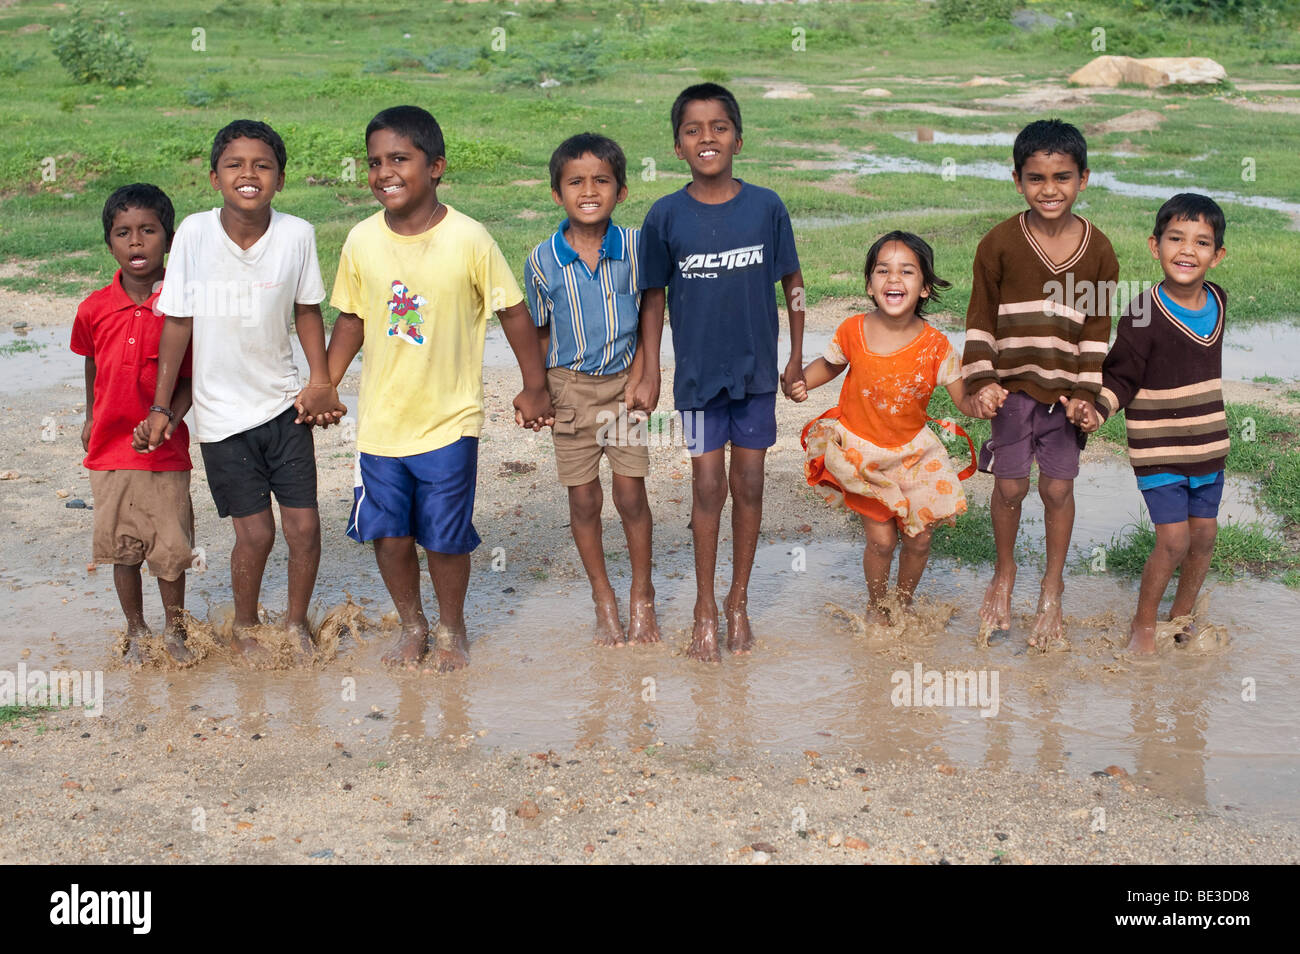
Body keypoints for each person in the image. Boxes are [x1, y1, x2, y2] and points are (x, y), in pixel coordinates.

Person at [319, 105, 552, 672]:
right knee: (390, 534)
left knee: (445, 537)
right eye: (375, 162)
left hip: (450, 420)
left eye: (400, 158)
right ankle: (412, 624)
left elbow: (514, 312)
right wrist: (324, 382)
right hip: (381, 423)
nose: (384, 172)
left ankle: (450, 626)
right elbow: (350, 319)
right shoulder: (361, 240)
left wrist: (534, 386)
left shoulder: (468, 238)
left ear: (436, 166)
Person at [143, 120, 342, 664]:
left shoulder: (297, 235)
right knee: (254, 535)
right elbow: (178, 321)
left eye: (262, 165)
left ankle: (296, 624)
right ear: (215, 177)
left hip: (284, 405)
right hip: (221, 415)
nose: (248, 174)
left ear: (279, 178)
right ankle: (246, 626)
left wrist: (320, 382)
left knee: (304, 527)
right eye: (234, 165)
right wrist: (163, 406)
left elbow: (307, 311)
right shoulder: (195, 234)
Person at [632, 83, 805, 663]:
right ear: (677, 146)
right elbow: (652, 300)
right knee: (707, 485)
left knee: (749, 484)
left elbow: (795, 287)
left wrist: (797, 357)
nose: (707, 138)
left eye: (719, 127)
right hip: (700, 380)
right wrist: (650, 370)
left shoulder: (765, 206)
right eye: (693, 130)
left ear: (738, 136)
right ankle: (704, 606)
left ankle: (738, 601)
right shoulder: (664, 216)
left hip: (756, 375)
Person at [960, 118, 1119, 649]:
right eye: (1036, 179)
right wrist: (981, 381)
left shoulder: (1099, 251)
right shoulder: (998, 244)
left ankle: (1052, 586)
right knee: (1009, 487)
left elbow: (1098, 332)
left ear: (1084, 179)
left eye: (1062, 177)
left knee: (1056, 488)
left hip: (1067, 397)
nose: (1049, 190)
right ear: (1017, 180)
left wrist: (1088, 394)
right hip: (1010, 390)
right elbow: (979, 321)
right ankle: (1004, 574)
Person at [792, 232, 981, 624]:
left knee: (920, 537)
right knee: (880, 541)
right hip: (863, 452)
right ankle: (878, 607)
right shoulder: (852, 330)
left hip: (914, 454)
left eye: (906, 271)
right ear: (869, 284)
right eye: (883, 270)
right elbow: (830, 364)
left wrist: (984, 403)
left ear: (925, 287)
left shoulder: (936, 346)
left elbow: (964, 400)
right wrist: (800, 382)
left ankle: (904, 601)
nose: (894, 279)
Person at [524, 132, 659, 647]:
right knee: (583, 500)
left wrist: (648, 372)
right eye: (575, 181)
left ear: (621, 191)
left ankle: (641, 595)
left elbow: (652, 307)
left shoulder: (637, 247)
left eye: (601, 180)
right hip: (568, 389)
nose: (589, 190)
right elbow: (538, 332)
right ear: (557, 194)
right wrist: (535, 390)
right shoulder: (542, 260)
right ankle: (603, 598)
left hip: (625, 387)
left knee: (630, 494)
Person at [1087, 194, 1229, 655]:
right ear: (1155, 245)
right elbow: (1122, 375)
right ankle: (1144, 625)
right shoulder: (1141, 313)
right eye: (1176, 238)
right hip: (1159, 449)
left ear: (1218, 255)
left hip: (1208, 446)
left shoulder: (1219, 302)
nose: (1187, 250)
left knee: (1204, 535)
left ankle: (1181, 618)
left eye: (1202, 242)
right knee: (1173, 540)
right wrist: (1098, 409)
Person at [72, 184, 195, 665]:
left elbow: (190, 378)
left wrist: (169, 420)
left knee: (170, 550)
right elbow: (91, 363)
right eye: (123, 233)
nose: (136, 243)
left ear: (169, 237)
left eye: (148, 231)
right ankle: (137, 629)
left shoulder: (182, 306)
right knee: (123, 550)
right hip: (109, 450)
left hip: (164, 454)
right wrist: (89, 413)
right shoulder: (93, 308)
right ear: (110, 244)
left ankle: (176, 632)